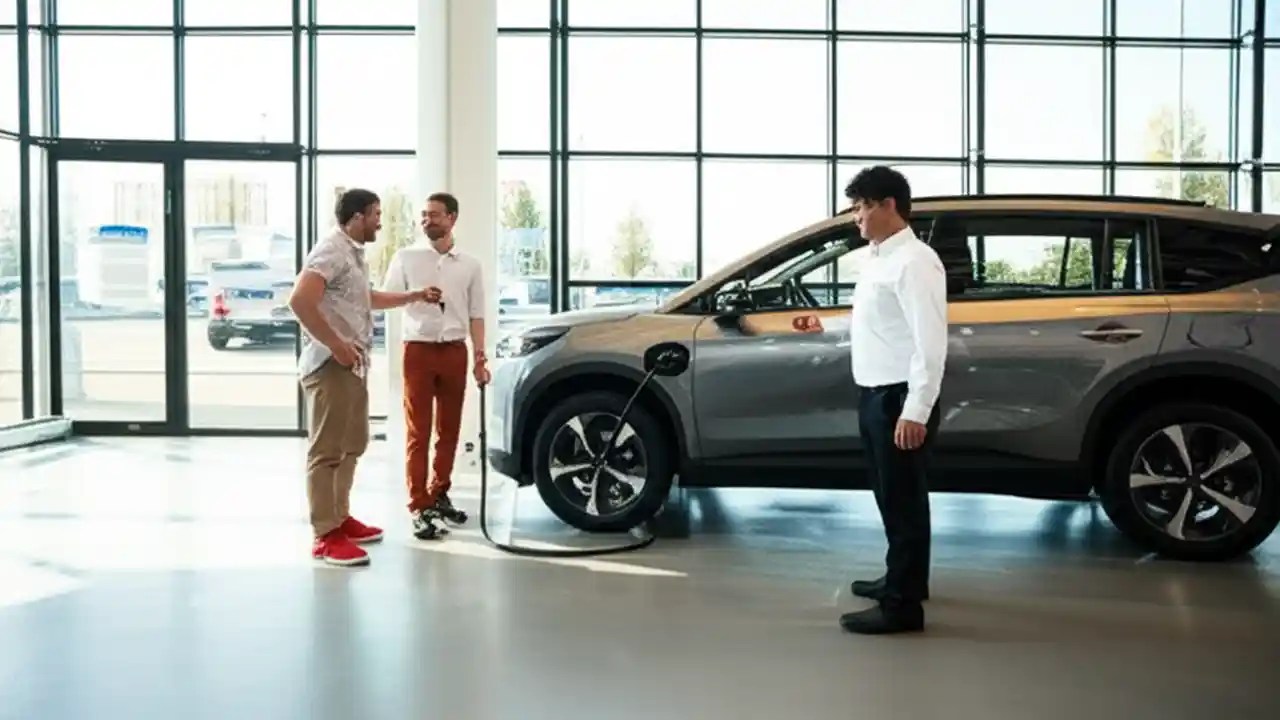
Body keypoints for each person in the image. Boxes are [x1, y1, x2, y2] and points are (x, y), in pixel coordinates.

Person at [289, 188, 434, 567]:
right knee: (327, 451)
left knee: (352, 444)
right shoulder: (331, 250)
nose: (380, 222)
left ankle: (340, 518)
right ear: (356, 217)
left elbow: (365, 299)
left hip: (354, 366)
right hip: (331, 366)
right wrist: (336, 344)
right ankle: (325, 535)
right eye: (375, 214)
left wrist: (413, 296)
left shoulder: (353, 255)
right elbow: (300, 300)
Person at [840, 166, 948, 634]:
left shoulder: (915, 262)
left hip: (899, 398)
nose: (856, 217)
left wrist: (916, 410)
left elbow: (930, 342)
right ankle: (901, 579)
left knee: (904, 501)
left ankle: (903, 607)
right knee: (890, 495)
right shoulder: (878, 258)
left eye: (862, 206)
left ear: (889, 206)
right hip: (875, 392)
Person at [381, 191, 490, 541]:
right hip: (418, 351)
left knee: (450, 430)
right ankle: (419, 504)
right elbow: (385, 298)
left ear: (452, 219)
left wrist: (480, 358)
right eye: (424, 215)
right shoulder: (406, 257)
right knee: (419, 432)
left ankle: (439, 493)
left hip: (455, 351)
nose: (428, 220)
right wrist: (415, 295)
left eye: (435, 215)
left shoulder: (470, 265)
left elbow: (477, 315)